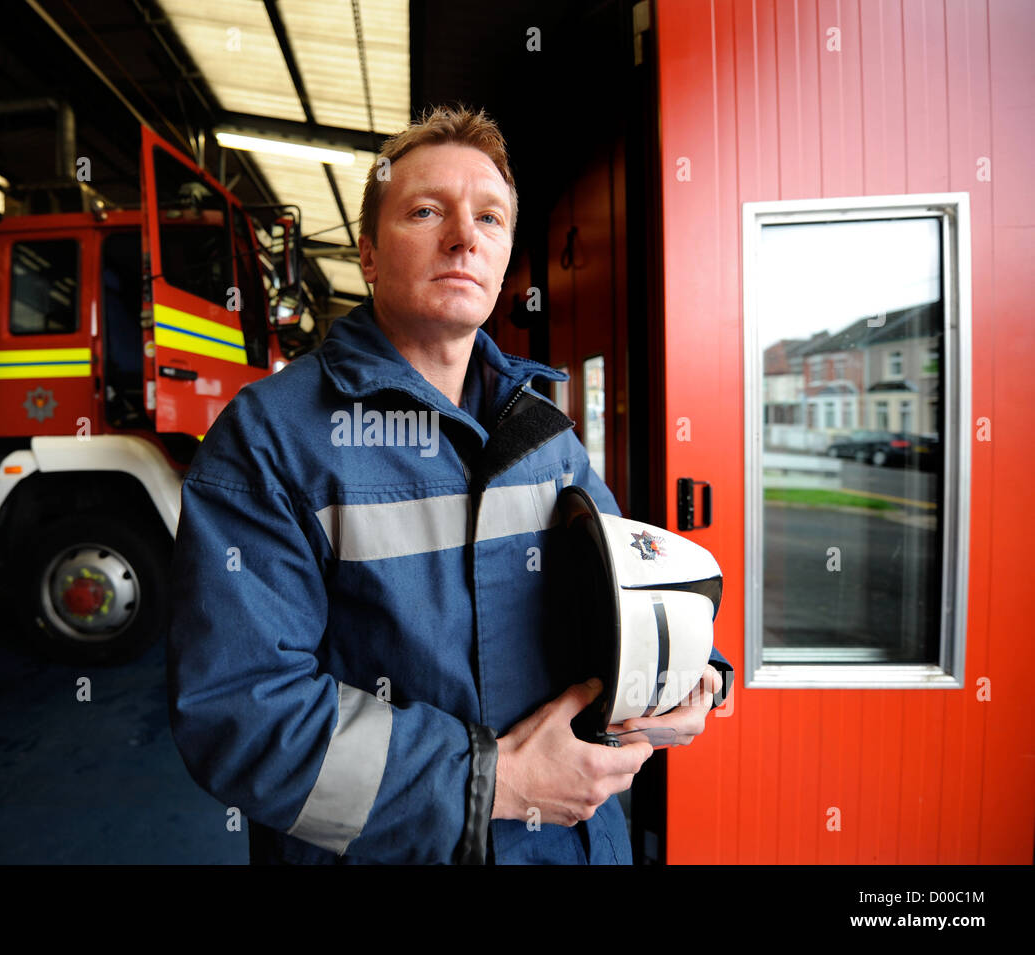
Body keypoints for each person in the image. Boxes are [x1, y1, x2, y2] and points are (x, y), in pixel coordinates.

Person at [166, 104, 732, 865]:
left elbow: (631, 598)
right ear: (367, 255)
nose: (466, 237)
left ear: (502, 258)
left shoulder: (546, 435)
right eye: (427, 211)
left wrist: (690, 674)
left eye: (490, 217)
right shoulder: (270, 439)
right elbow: (238, 711)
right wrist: (493, 784)